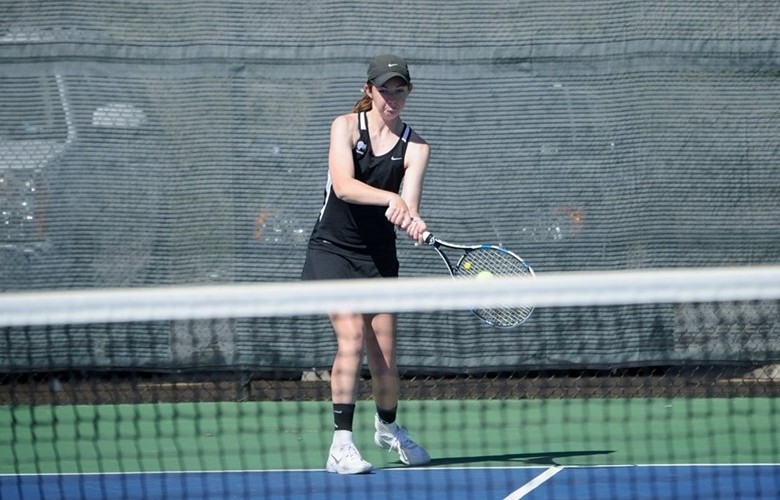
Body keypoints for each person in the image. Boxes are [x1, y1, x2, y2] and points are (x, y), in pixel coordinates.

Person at [301, 54, 432, 474]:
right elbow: (343, 186)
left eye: (400, 89)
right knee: (352, 337)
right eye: (384, 88)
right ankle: (341, 445)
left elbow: (407, 204)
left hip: (378, 258)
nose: (392, 97)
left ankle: (388, 427)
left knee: (386, 364)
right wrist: (390, 199)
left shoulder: (416, 147)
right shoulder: (343, 127)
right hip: (332, 250)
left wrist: (409, 216)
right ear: (368, 90)